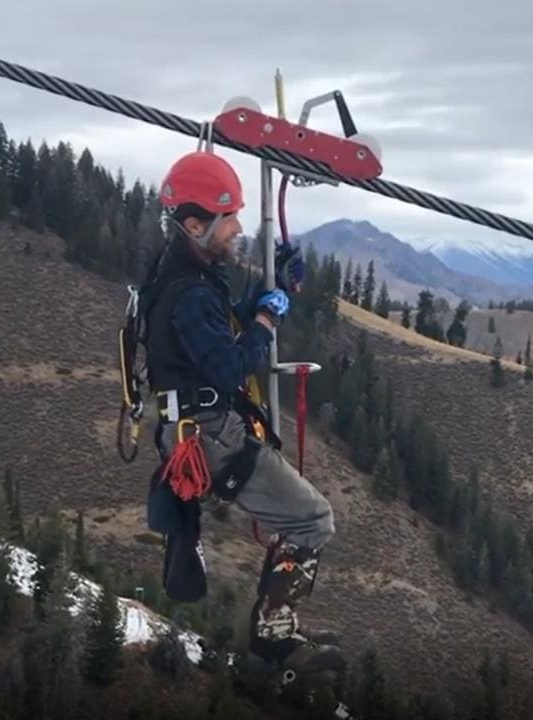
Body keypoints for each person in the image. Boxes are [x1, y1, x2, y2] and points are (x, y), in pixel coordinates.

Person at [139, 146, 342, 673]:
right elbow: (229, 366)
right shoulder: (187, 290)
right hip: (209, 435)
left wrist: (265, 299)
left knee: (302, 518)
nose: (236, 229)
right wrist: (268, 322)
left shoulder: (181, 275)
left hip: (195, 427)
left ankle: (277, 624)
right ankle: (273, 634)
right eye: (227, 219)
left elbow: (217, 328)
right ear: (193, 223)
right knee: (313, 518)